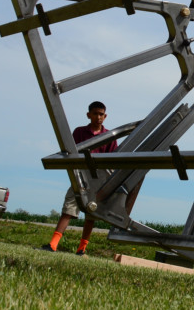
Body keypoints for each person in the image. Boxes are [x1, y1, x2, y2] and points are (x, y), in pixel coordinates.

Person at [43, 101, 136, 255]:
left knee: (92, 213)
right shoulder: (79, 132)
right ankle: (53, 244)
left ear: (105, 116)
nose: (98, 117)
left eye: (101, 114)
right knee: (68, 209)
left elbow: (112, 162)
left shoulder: (110, 136)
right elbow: (71, 152)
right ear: (88, 115)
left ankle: (82, 249)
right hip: (80, 177)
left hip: (99, 180)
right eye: (95, 114)